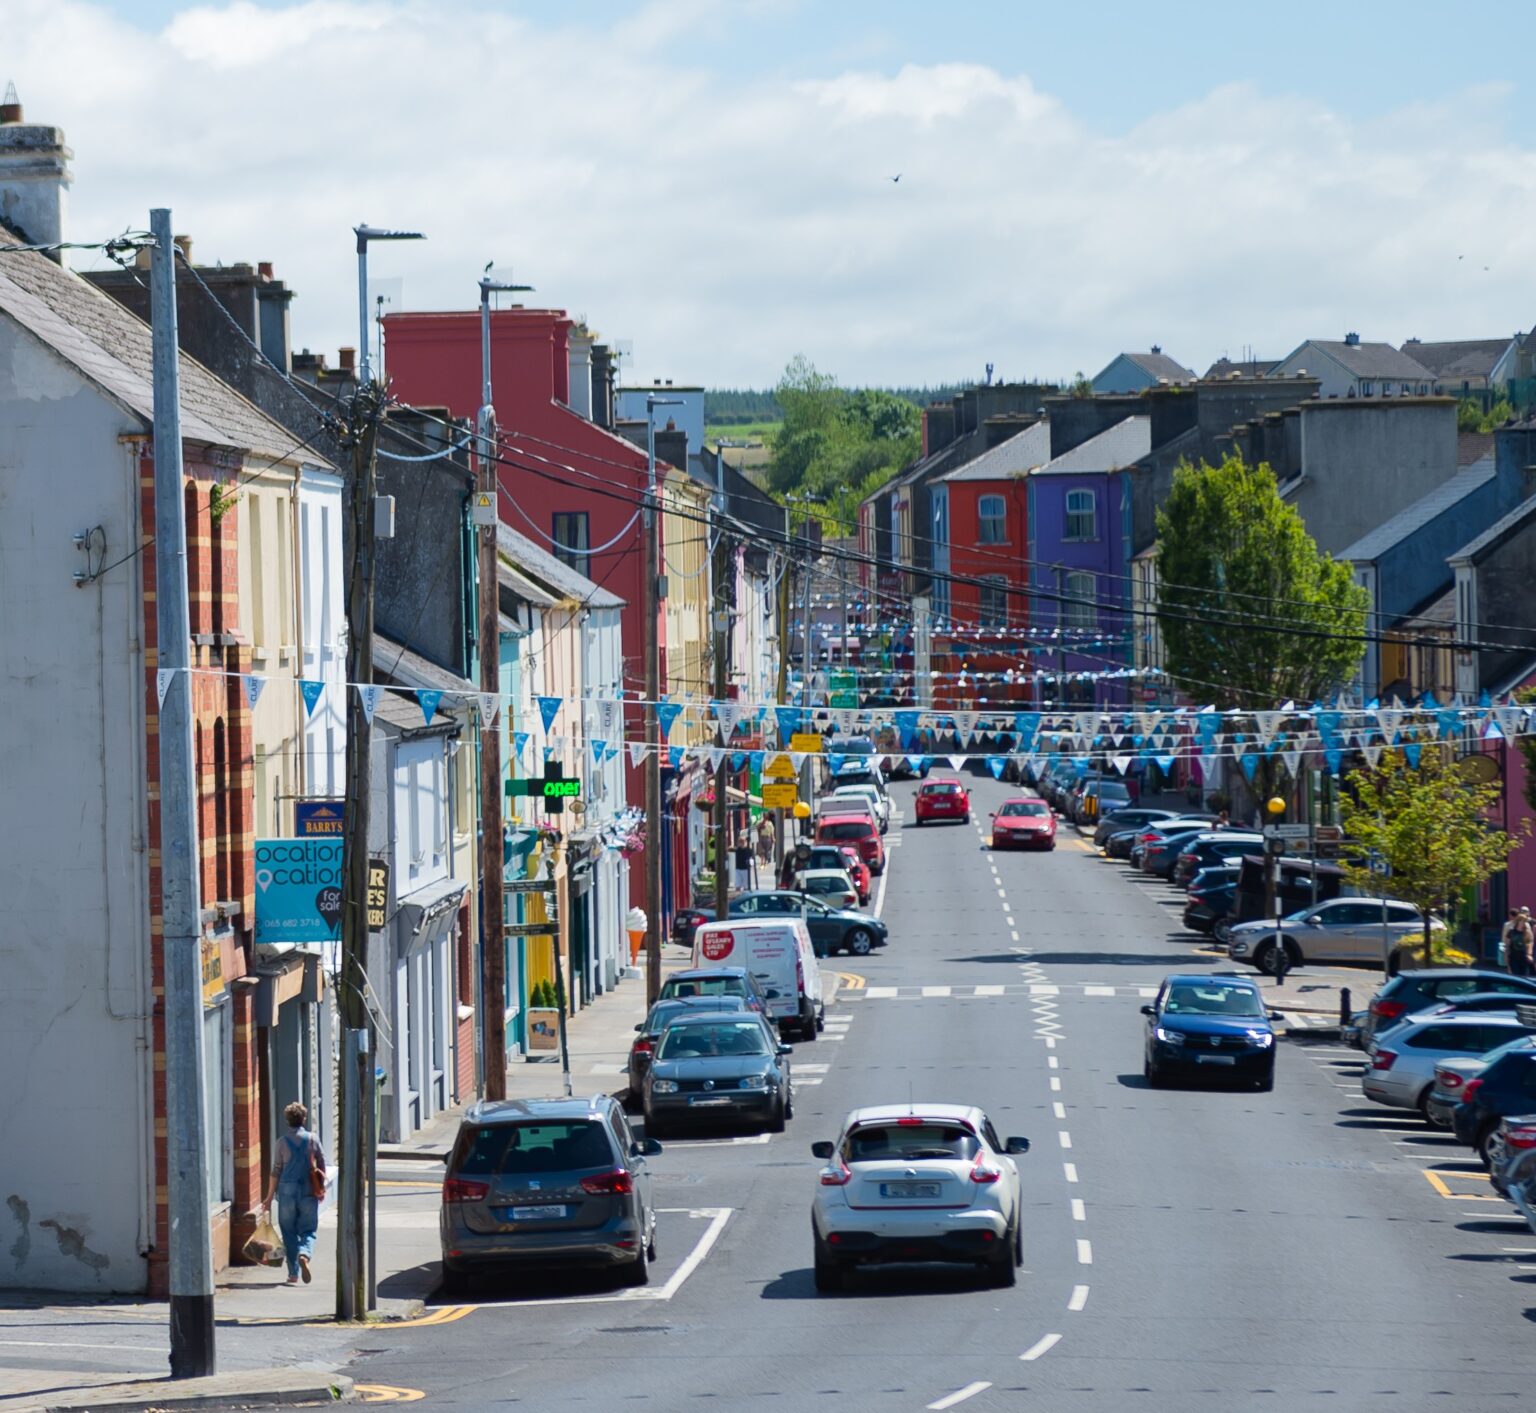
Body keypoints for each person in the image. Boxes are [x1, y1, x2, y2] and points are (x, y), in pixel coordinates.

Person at [261, 1101, 326, 1286]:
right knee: (308, 1229)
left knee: (288, 1232)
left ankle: (293, 1274)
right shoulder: (313, 1139)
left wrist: (268, 1197)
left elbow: (275, 1171)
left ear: (287, 1120)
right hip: (307, 1189)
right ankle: (305, 1253)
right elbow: (321, 1164)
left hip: (287, 1190)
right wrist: (320, 1187)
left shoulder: (281, 1143)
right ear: (303, 1118)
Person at [1510, 908, 1535, 977]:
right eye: (1521, 921)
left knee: (1524, 976)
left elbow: (1530, 942)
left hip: (1523, 957)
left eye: (1524, 921)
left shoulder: (1527, 930)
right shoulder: (1512, 930)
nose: (1523, 923)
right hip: (1514, 957)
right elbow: (1508, 944)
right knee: (1516, 976)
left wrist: (1529, 954)